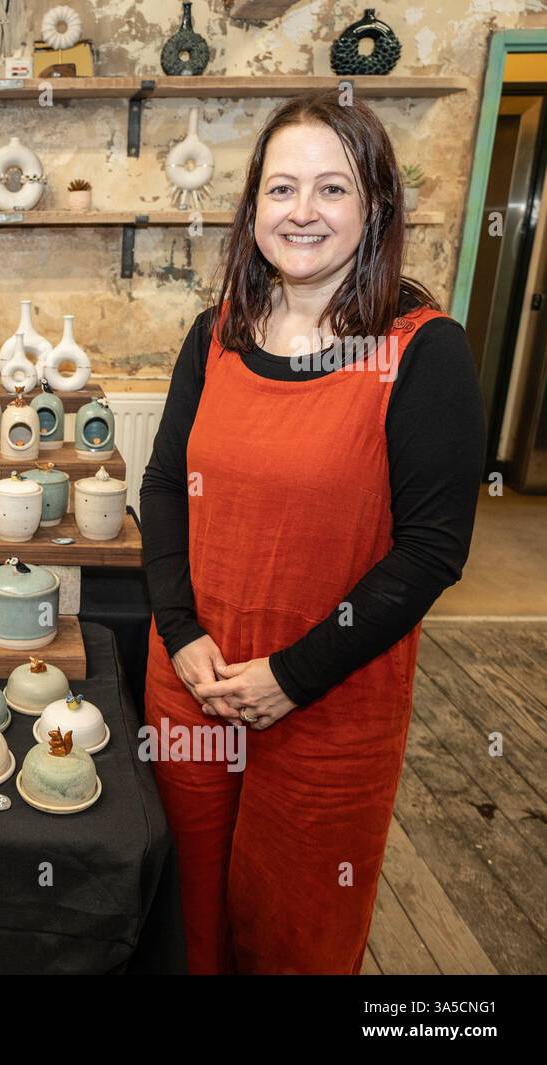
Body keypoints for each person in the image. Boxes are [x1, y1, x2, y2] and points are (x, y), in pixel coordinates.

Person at [139, 89, 485, 974]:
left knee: (296, 935)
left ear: (374, 208)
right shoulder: (212, 337)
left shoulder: (422, 350)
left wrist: (292, 675)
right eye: (281, 188)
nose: (302, 212)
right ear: (252, 205)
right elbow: (165, 484)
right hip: (196, 683)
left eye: (332, 189)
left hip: (327, 701)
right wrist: (180, 634)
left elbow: (430, 552)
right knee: (186, 916)